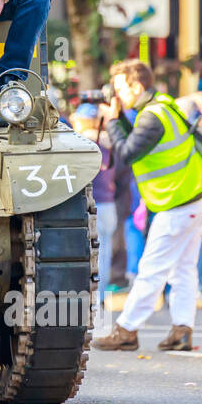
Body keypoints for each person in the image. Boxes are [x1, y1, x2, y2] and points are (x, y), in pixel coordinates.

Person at [92, 59, 202, 352]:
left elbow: (126, 152)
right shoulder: (162, 104)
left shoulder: (151, 117)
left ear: (137, 85)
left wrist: (111, 120)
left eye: (120, 88)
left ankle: (126, 330)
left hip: (178, 203)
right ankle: (182, 331)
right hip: (194, 197)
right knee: (183, 269)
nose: (116, 94)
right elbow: (135, 143)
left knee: (151, 268)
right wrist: (119, 117)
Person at [71, 103, 117, 305]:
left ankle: (90, 298)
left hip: (90, 206)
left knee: (87, 255)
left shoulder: (78, 145)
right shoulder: (109, 145)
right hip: (109, 204)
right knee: (104, 255)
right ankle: (101, 297)